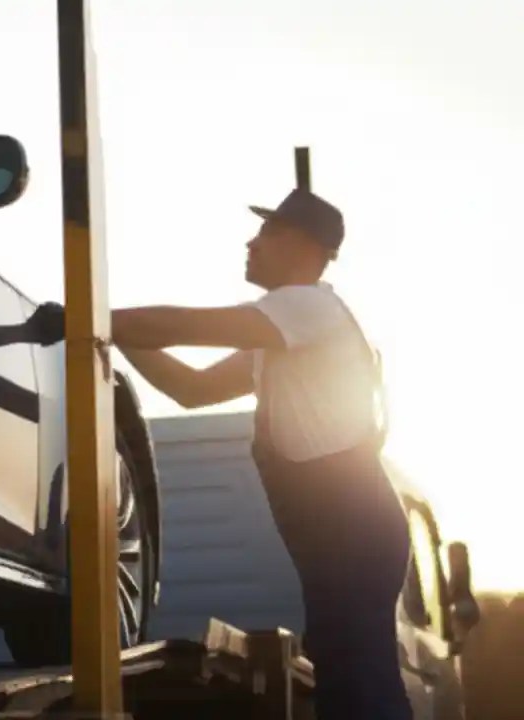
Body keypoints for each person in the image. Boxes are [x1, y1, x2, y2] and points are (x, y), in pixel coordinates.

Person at [110, 188, 413, 720]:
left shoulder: (309, 306)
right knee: (347, 682)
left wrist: (89, 315)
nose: (251, 243)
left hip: (355, 529)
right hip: (334, 534)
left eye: (266, 232)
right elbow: (193, 389)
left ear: (301, 243)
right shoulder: (281, 336)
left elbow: (184, 327)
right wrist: (112, 334)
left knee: (363, 687)